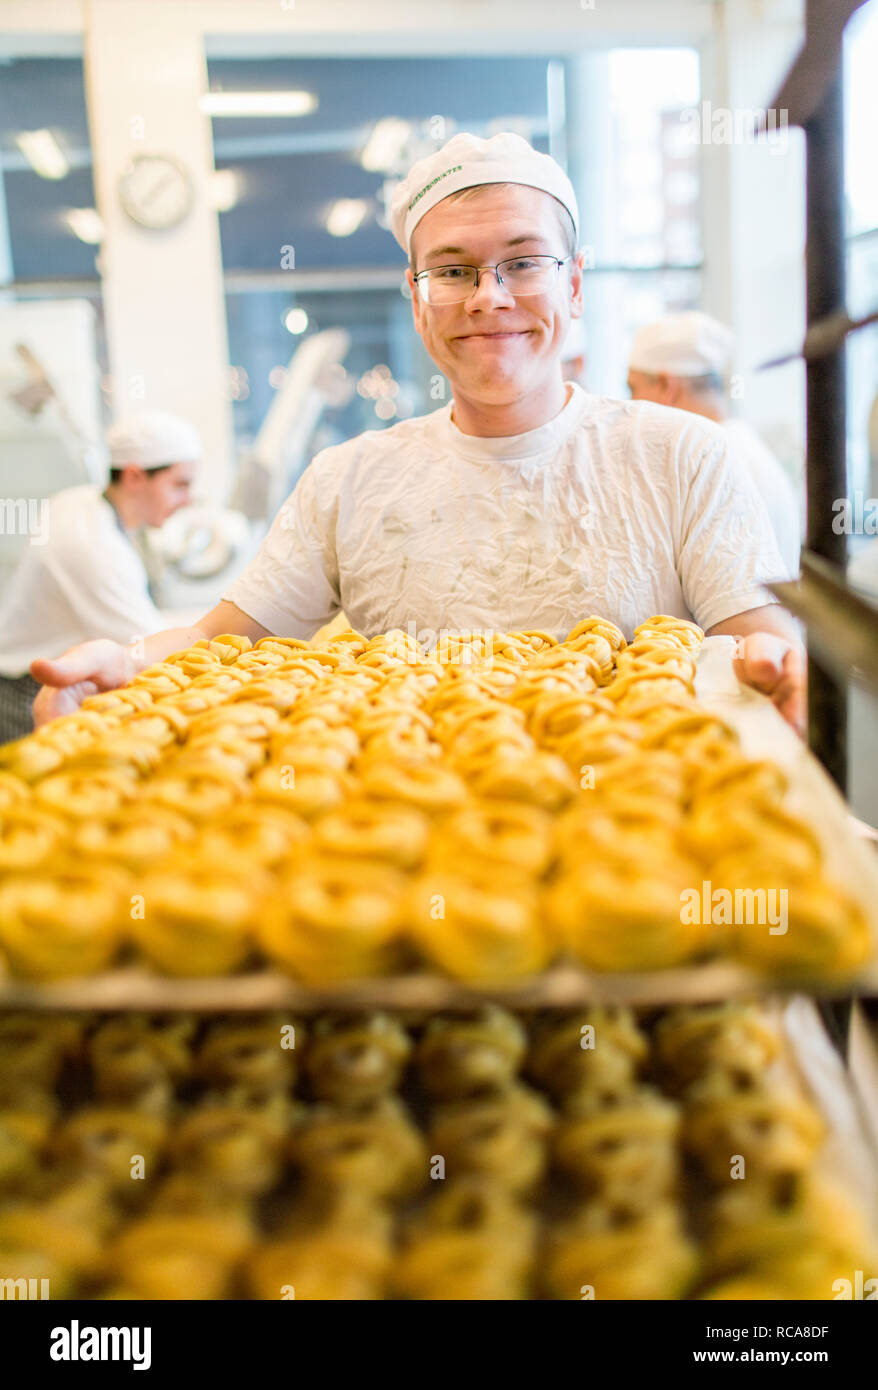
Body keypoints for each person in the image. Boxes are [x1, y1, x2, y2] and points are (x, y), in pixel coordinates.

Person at [31, 133, 804, 731]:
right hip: (407, 843)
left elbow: (755, 641)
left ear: (572, 286)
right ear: (415, 296)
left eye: (523, 264)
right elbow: (218, 640)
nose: (488, 298)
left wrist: (780, 667)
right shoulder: (351, 479)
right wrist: (122, 663)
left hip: (639, 832)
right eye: (454, 270)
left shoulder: (681, 457)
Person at [1, 408, 197, 741]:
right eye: (179, 485)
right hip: (34, 689)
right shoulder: (90, 545)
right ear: (134, 477)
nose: (188, 500)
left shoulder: (85, 504)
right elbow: (148, 652)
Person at [627, 310, 801, 575]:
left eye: (633, 389)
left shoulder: (716, 463)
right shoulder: (736, 447)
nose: (631, 405)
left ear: (666, 387)